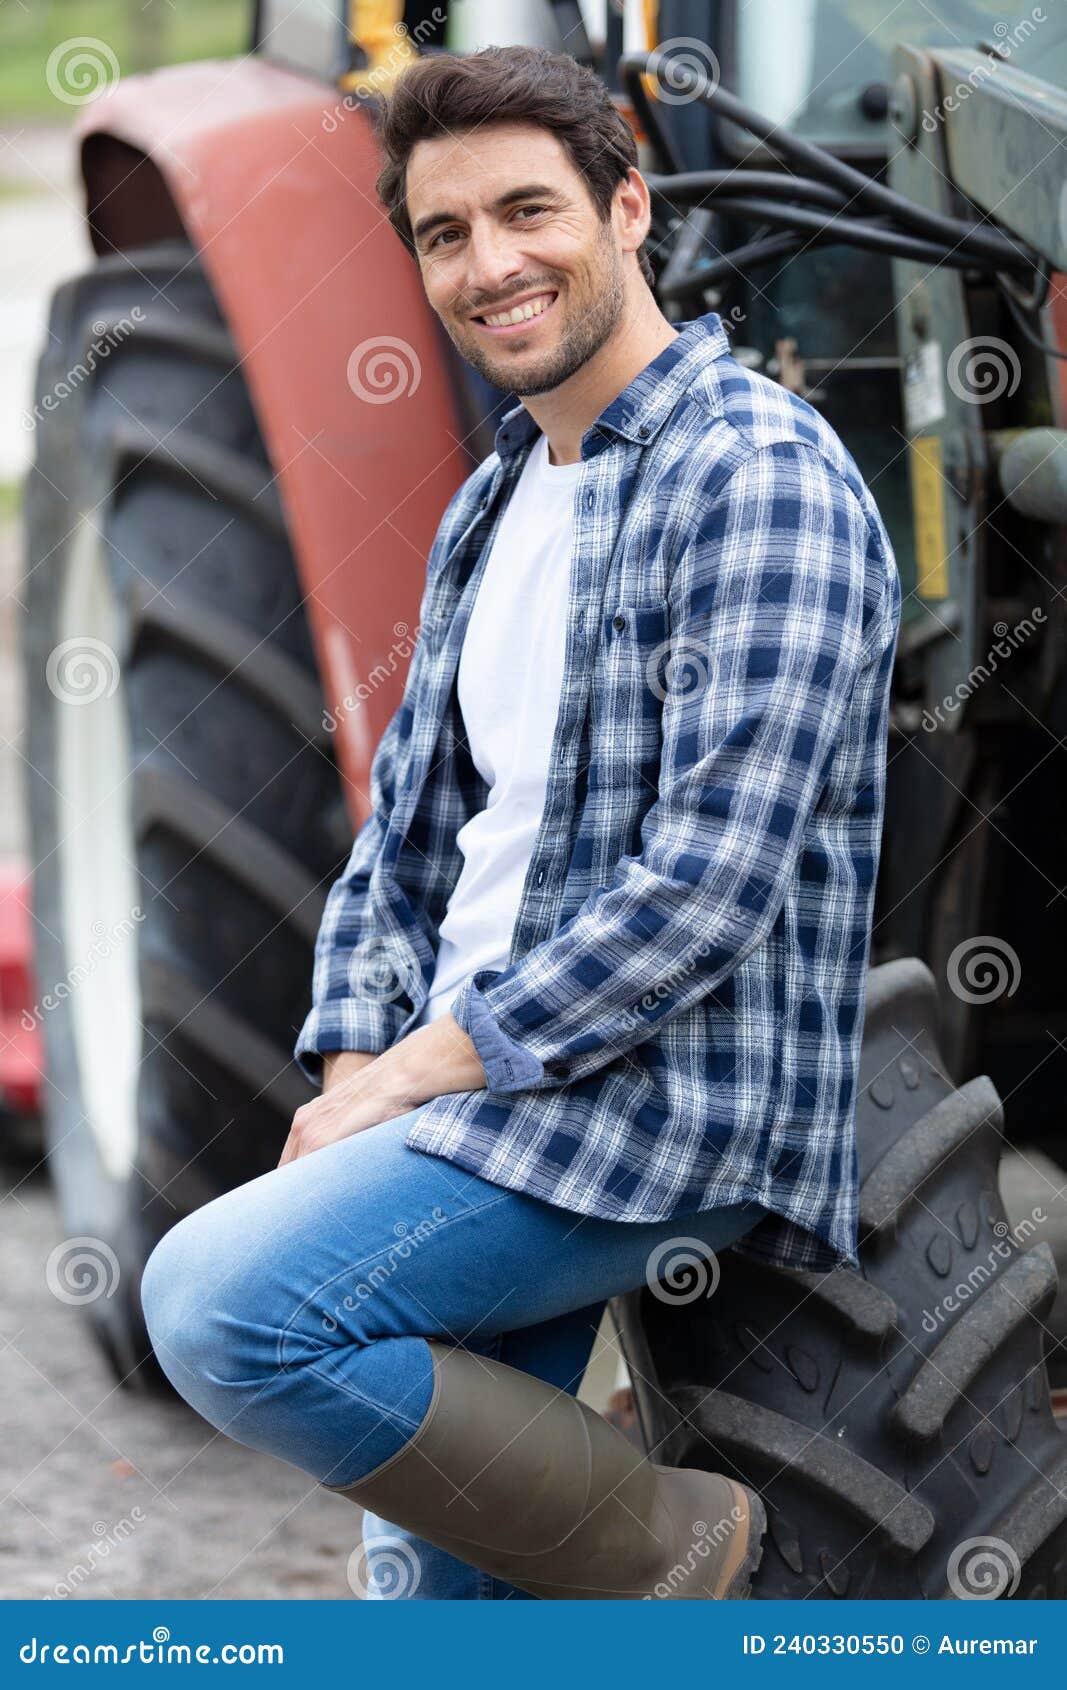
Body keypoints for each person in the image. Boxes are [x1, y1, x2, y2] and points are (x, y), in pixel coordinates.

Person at [140, 42, 900, 1601]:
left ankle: (678, 1541)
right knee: (433, 1597)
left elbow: (706, 885)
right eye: (442, 233)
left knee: (221, 1300)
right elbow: (402, 845)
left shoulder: (758, 477)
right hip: (481, 1097)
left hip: (648, 1102)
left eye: (527, 212)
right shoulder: (497, 501)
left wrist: (412, 1074)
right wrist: (355, 1061)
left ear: (629, 208)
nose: (490, 265)